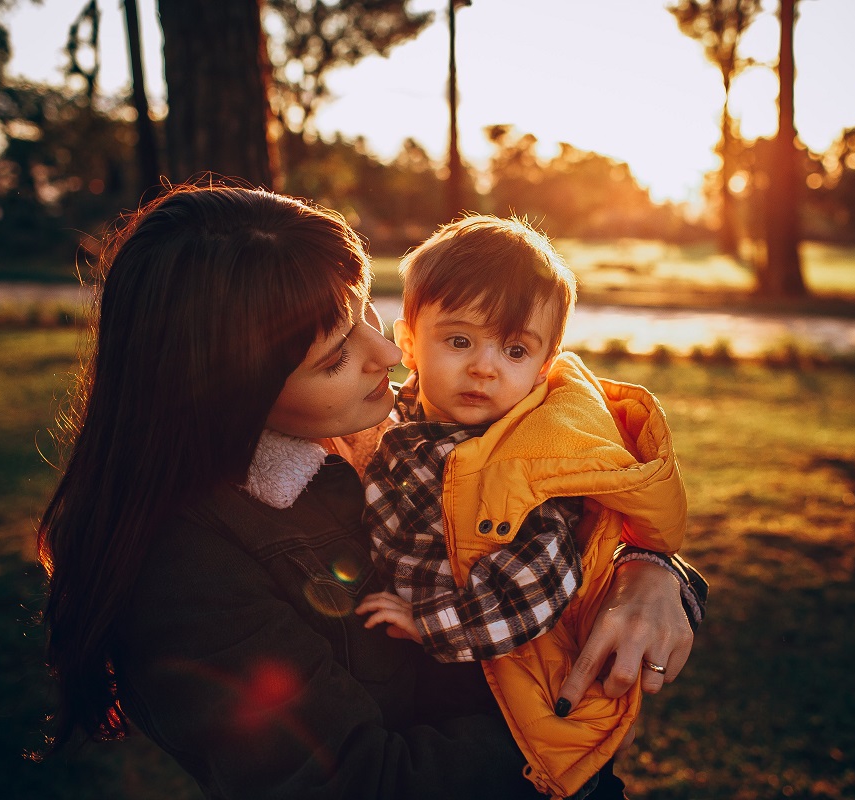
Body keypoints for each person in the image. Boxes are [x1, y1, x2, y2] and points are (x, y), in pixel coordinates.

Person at [37, 184, 703, 800]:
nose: (388, 356)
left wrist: (647, 568)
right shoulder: (183, 571)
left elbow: (567, 494)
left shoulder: (400, 425)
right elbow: (362, 782)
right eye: (334, 357)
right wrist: (567, 741)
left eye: (366, 314)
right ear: (230, 394)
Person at [354, 216, 704, 799]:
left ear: (545, 365)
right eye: (459, 340)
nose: (485, 366)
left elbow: (540, 582)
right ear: (409, 340)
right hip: (436, 680)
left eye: (514, 349)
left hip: (512, 683)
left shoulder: (526, 459)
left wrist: (431, 625)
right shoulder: (405, 418)